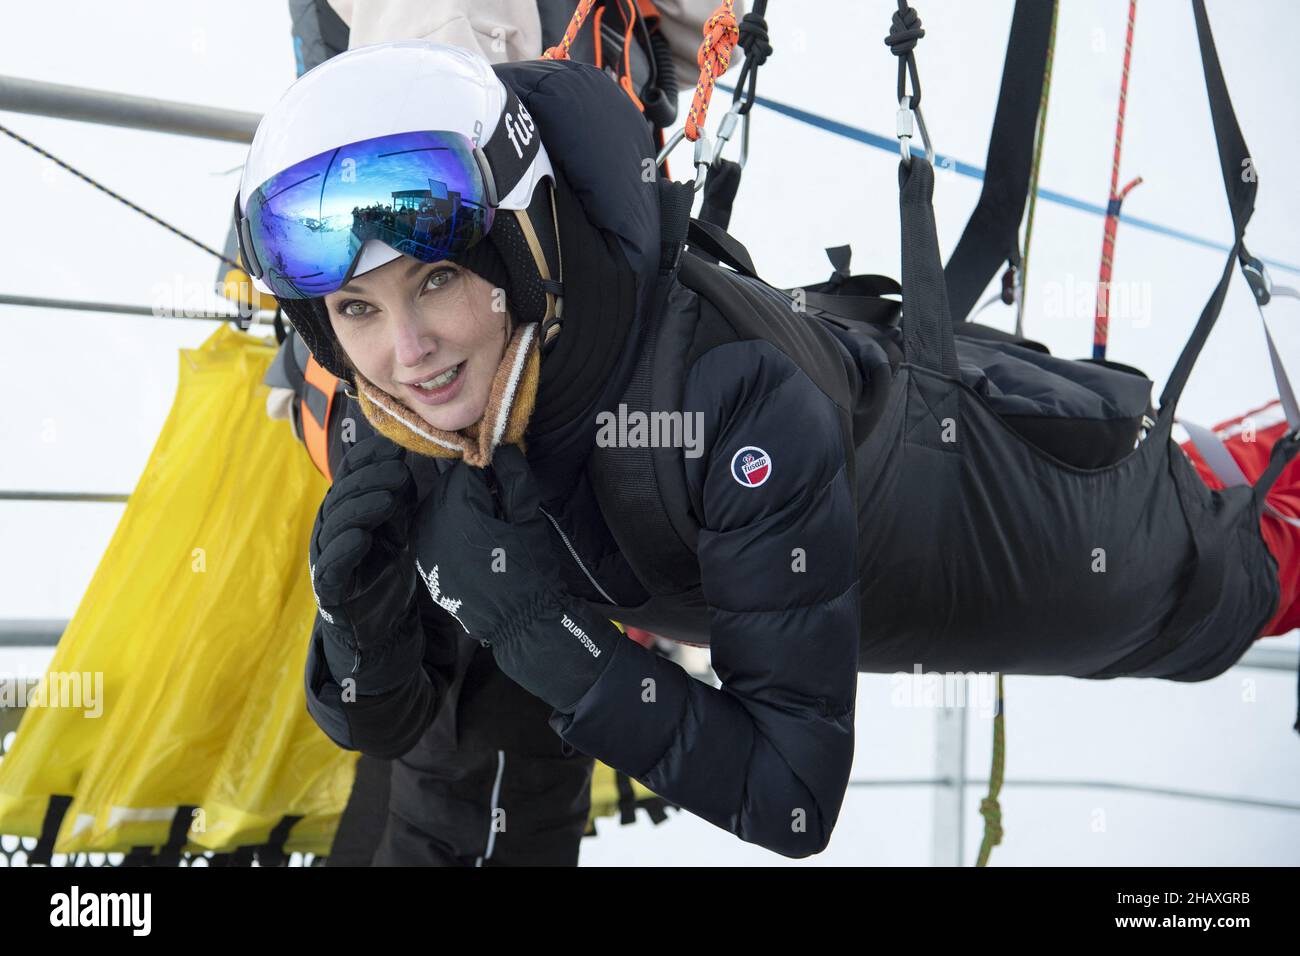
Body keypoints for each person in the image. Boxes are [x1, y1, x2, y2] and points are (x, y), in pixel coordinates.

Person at [235, 40, 1300, 862]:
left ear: (522, 245)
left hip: (1101, 549)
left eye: (434, 283)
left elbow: (792, 795)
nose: (404, 351)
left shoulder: (724, 403)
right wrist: (356, 614)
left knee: (1241, 560)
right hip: (959, 486)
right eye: (356, 311)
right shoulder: (423, 403)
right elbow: (394, 720)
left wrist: (536, 630)